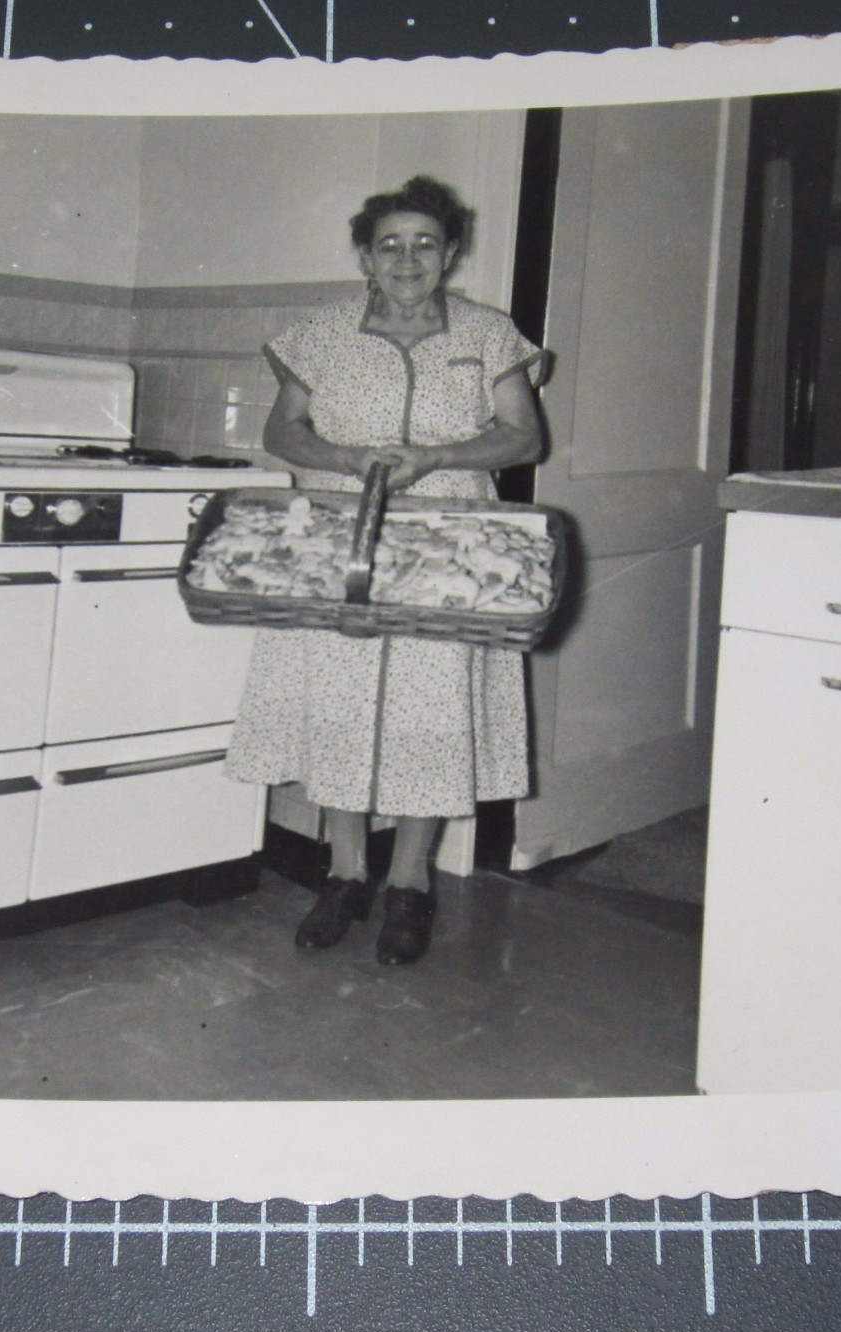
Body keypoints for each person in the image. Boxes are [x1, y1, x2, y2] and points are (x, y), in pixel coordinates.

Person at [225, 175, 548, 966]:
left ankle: (410, 886)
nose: (408, 258)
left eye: (426, 242)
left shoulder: (489, 332)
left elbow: (523, 438)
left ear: (451, 254)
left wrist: (439, 454)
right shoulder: (322, 334)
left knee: (432, 707)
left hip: (452, 547)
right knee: (338, 697)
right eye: (390, 244)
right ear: (366, 257)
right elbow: (283, 431)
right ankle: (343, 874)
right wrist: (343, 457)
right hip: (339, 537)